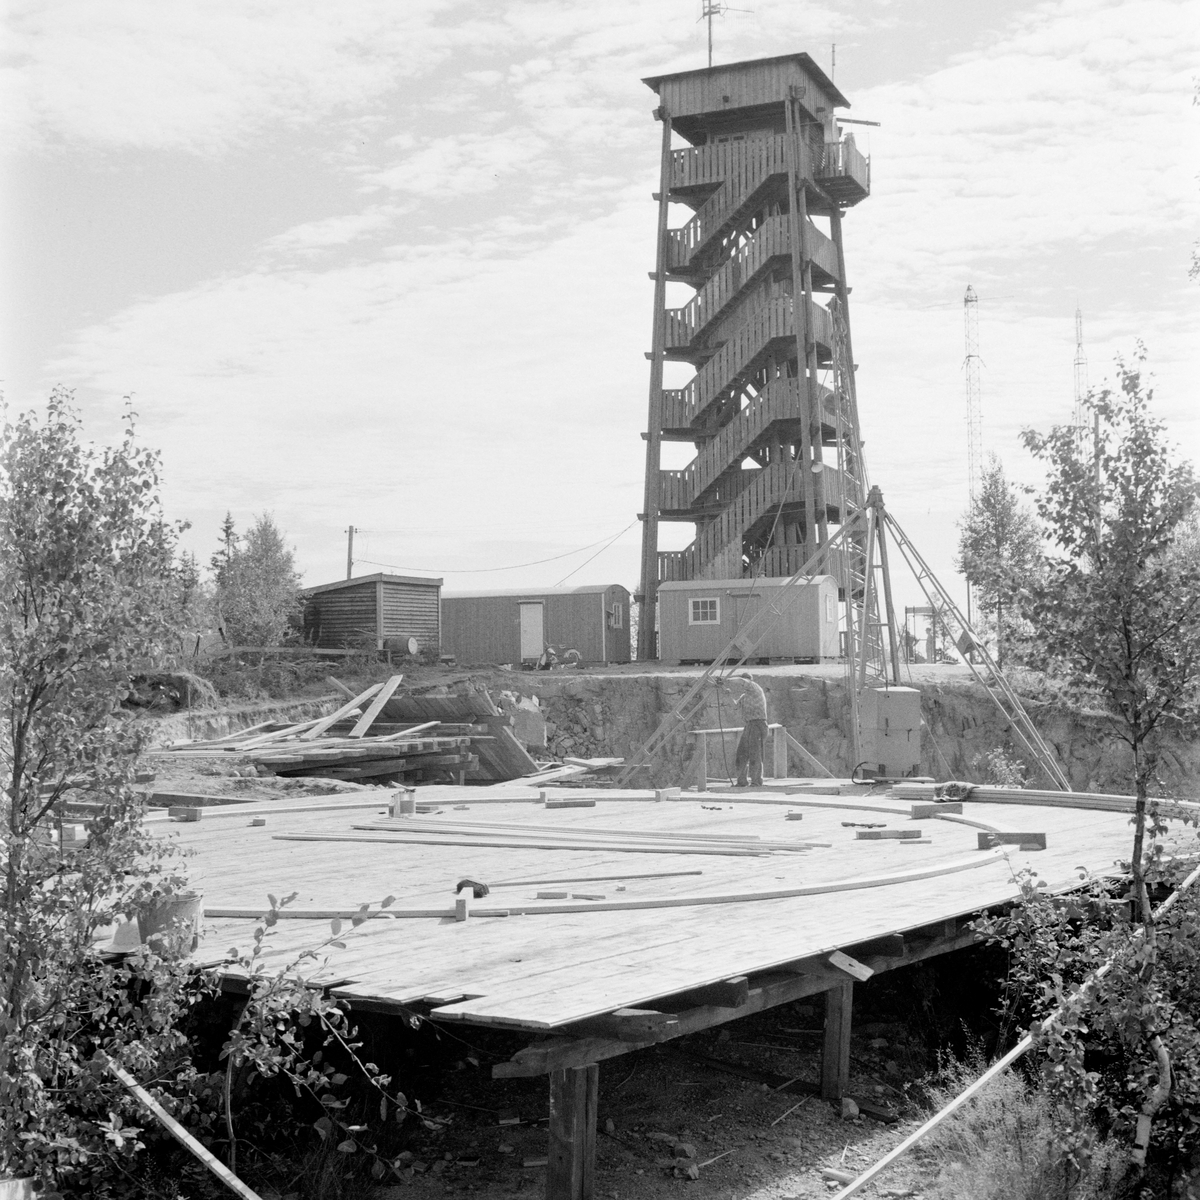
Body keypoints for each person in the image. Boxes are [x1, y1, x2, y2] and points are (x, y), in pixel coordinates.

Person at [718, 672, 769, 787]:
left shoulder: (756, 688)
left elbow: (743, 681)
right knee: (741, 754)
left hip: (758, 724)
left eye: (743, 683)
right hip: (750, 725)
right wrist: (727, 694)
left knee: (755, 754)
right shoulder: (745, 696)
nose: (742, 685)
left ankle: (756, 781)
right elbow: (735, 706)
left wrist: (725, 680)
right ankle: (741, 781)